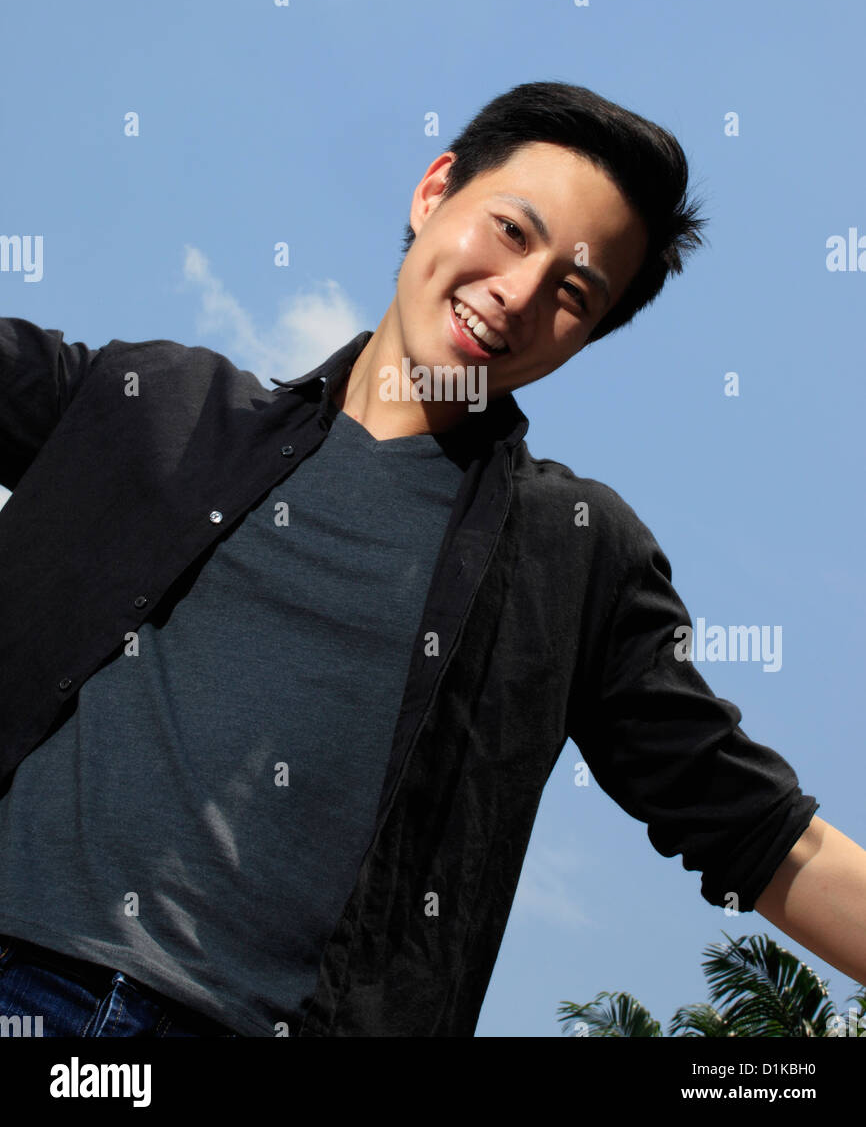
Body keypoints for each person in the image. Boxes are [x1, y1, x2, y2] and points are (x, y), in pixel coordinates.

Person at [0, 81, 864, 1039]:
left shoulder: (570, 555)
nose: (519, 292)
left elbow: (764, 834)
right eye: (512, 230)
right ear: (434, 191)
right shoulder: (156, 404)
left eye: (575, 293)